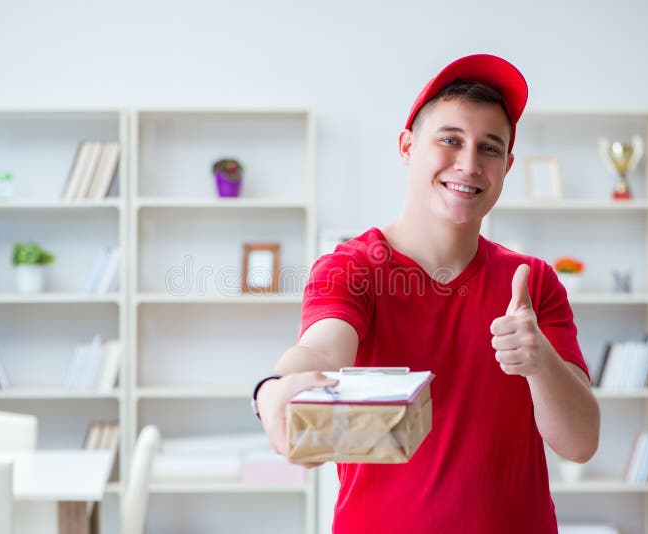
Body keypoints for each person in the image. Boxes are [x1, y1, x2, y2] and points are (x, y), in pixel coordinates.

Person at [251, 54, 600, 533]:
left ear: (507, 165)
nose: (469, 163)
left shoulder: (532, 282)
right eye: (450, 140)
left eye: (489, 148)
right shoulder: (351, 268)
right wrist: (272, 391)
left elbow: (580, 443)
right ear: (407, 146)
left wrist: (541, 361)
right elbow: (320, 347)